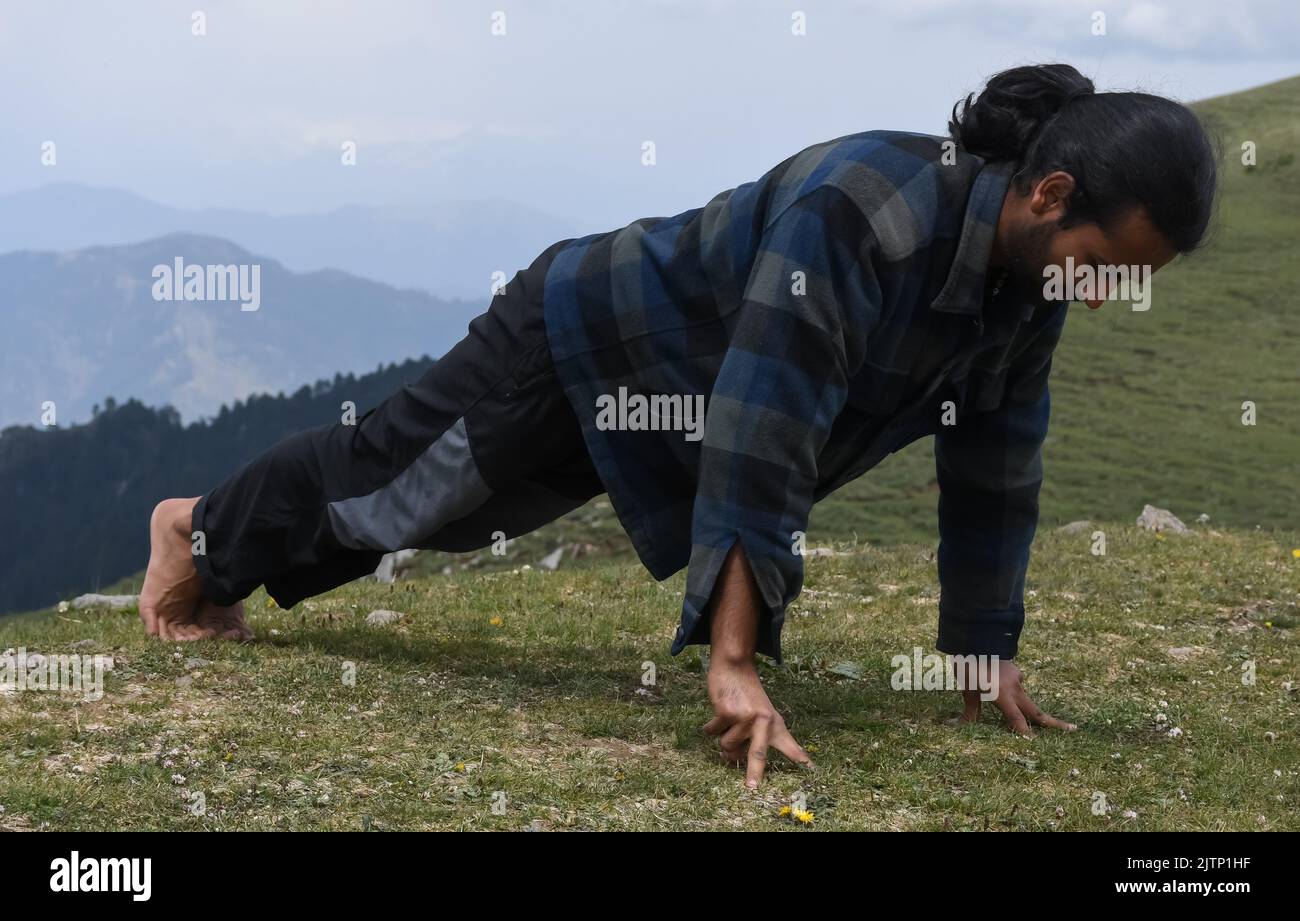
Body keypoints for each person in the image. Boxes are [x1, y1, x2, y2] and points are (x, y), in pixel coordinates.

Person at [139, 63, 1218, 788]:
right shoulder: (867, 208)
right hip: (581, 336)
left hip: (673, 406)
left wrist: (983, 654)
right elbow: (770, 424)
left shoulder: (1024, 294)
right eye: (1108, 262)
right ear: (1050, 193)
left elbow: (996, 465)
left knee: (454, 526)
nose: (1111, 291)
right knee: (397, 487)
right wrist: (732, 662)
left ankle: (224, 544)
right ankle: (195, 535)